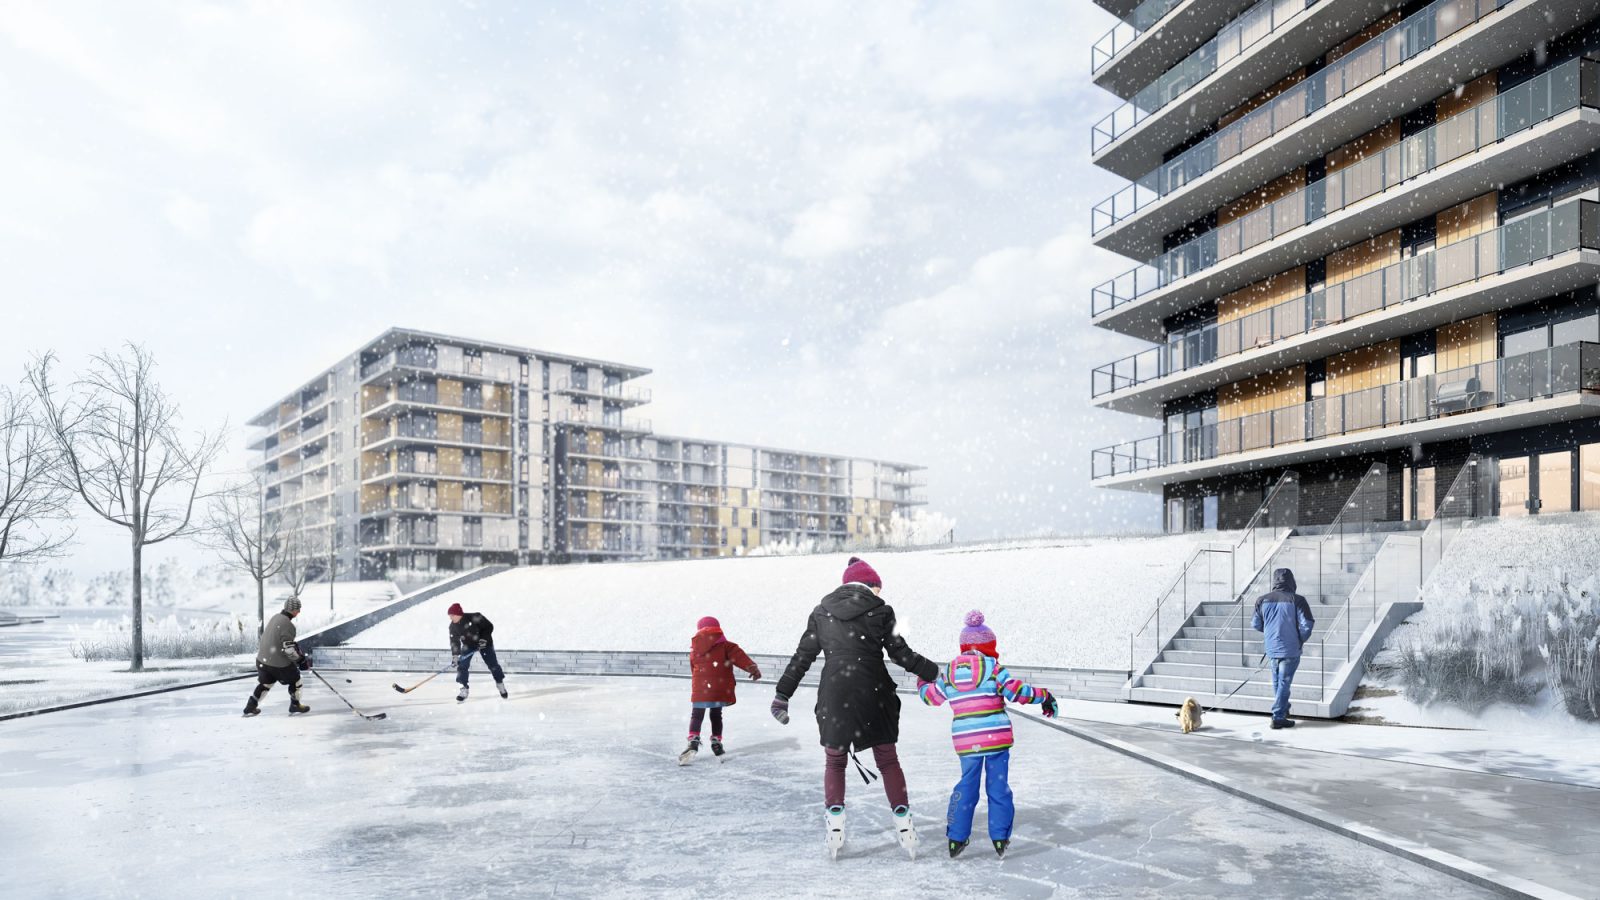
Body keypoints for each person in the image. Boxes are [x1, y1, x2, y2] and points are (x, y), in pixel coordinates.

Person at [772, 556, 940, 859]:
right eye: (879, 588)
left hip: (835, 694)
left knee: (835, 761)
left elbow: (803, 657)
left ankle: (835, 829)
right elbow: (902, 655)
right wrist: (936, 673)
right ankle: (905, 828)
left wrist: (783, 694)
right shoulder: (881, 610)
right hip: (873, 692)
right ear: (872, 585)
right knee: (887, 760)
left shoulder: (821, 613)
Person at [917, 610, 1057, 859]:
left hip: (967, 741)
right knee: (998, 786)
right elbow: (1019, 692)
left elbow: (931, 697)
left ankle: (956, 838)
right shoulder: (994, 668)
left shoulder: (949, 672)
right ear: (990, 646)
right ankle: (1000, 837)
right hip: (996, 739)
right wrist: (1045, 696)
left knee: (967, 784)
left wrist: (921, 683)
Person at [678, 616, 762, 765]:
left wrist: (699, 685)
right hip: (719, 687)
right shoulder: (727, 646)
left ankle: (693, 740)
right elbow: (740, 657)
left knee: (696, 716)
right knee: (716, 715)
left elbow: (693, 670)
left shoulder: (695, 649)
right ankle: (716, 741)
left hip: (700, 688)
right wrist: (752, 668)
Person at [1251, 567, 1315, 729]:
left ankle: (1283, 710)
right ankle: (1278, 716)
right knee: (1284, 682)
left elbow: (1255, 624)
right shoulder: (1298, 600)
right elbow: (1307, 624)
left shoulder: (1262, 600)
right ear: (1292, 581)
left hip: (1272, 648)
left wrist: (1270, 634)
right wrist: (1299, 639)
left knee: (1278, 681)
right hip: (1290, 649)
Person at [244, 597, 311, 716]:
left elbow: (278, 640)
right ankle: (295, 705)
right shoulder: (288, 625)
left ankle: (250, 706)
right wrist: (301, 660)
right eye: (298, 609)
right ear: (293, 609)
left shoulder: (275, 617)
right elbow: (288, 649)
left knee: (266, 683)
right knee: (296, 680)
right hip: (278, 663)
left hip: (262, 661)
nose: (299, 612)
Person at [448, 602, 506, 702]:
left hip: (484, 643)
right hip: (468, 645)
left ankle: (500, 683)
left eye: (452, 615)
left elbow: (489, 627)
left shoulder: (475, 617)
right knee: (462, 666)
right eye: (450, 616)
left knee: (493, 664)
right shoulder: (453, 626)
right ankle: (464, 689)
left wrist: (483, 640)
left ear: (458, 614)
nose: (450, 618)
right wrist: (455, 656)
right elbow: (454, 641)